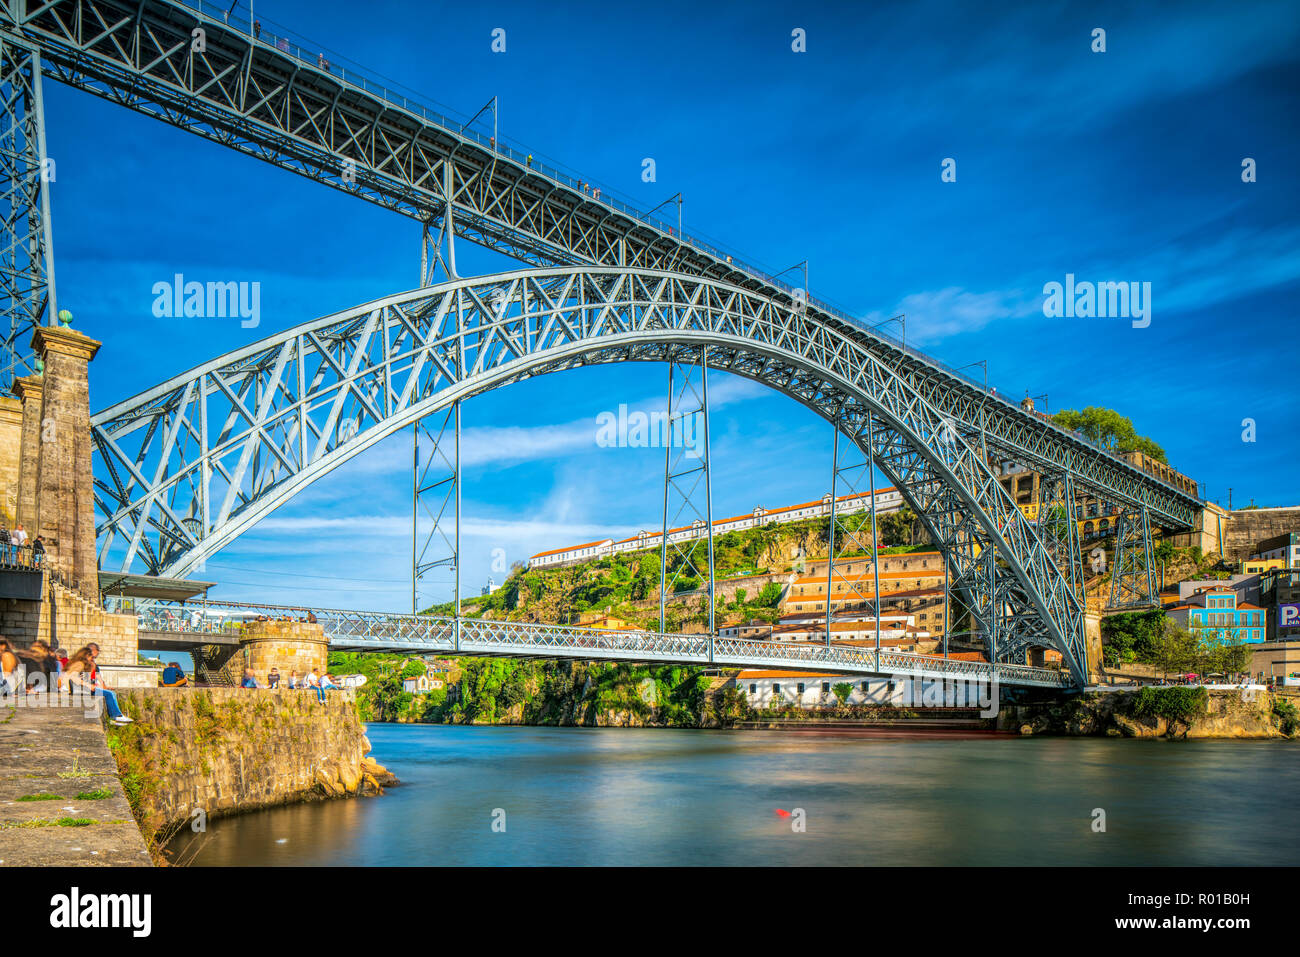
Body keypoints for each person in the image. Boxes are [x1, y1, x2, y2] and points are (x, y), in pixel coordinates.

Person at [64, 644, 131, 725]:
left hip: (82, 689)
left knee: (109, 693)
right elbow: (73, 677)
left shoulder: (82, 664)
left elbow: (90, 678)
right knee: (109, 694)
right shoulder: (79, 664)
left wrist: (100, 686)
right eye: (91, 657)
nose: (92, 659)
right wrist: (88, 685)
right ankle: (116, 715)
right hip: (80, 690)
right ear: (86, 656)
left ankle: (113, 719)